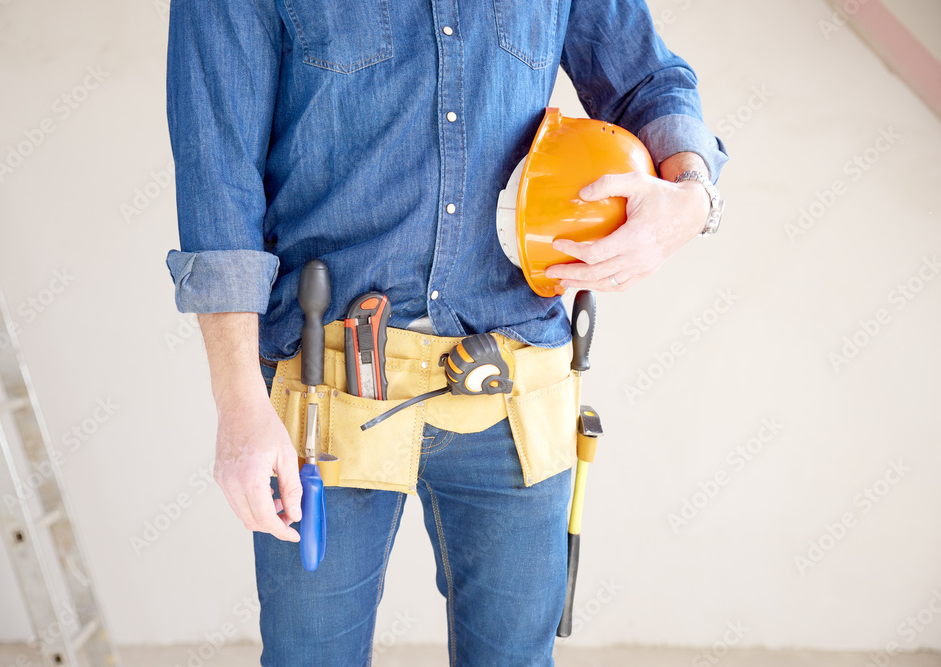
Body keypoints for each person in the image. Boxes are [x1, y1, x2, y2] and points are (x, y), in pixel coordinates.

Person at [165, 1, 728, 664]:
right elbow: (217, 172)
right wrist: (237, 401)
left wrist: (693, 197)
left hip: (515, 383)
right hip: (327, 388)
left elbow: (647, 81)